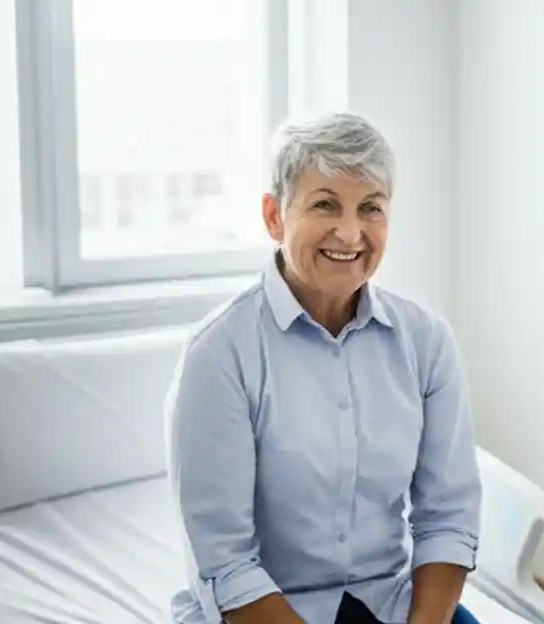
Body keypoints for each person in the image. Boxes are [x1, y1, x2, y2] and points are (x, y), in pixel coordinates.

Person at [165, 113, 483, 624]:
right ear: (275, 216)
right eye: (325, 204)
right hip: (260, 610)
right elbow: (225, 564)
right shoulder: (219, 354)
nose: (351, 232)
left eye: (371, 207)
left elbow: (448, 517)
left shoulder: (427, 342)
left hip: (389, 603)